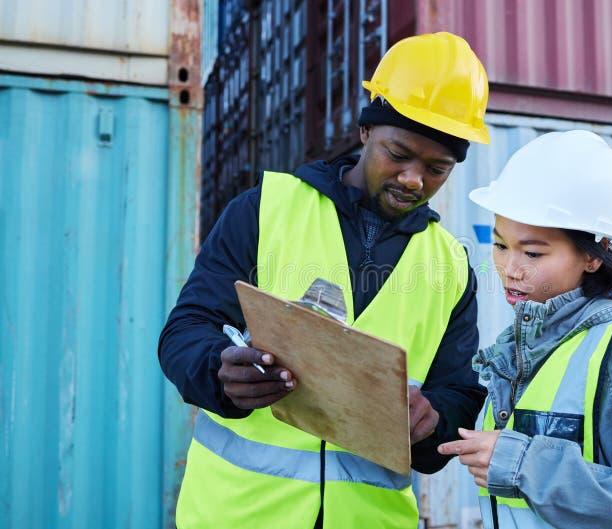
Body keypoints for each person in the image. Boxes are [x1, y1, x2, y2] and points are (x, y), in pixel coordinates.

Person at [159, 32, 490, 529]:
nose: (413, 180)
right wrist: (220, 373)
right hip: (238, 515)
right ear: (365, 132)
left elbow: (458, 393)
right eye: (398, 154)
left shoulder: (452, 266)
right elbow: (185, 331)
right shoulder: (265, 209)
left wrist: (432, 422)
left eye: (437, 168)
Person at [438, 130, 612, 529]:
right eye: (500, 246)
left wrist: (523, 464)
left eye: (533, 252)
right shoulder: (523, 346)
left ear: (592, 255)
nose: (511, 269)